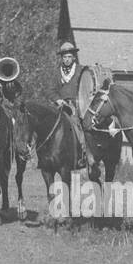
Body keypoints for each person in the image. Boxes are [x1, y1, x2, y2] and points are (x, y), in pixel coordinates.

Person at [46, 41, 93, 169]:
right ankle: (46, 156)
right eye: (64, 57)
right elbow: (51, 90)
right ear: (61, 58)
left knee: (79, 127)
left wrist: (79, 102)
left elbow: (87, 88)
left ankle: (83, 155)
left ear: (73, 57)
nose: (66, 59)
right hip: (60, 106)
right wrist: (58, 99)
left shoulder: (81, 71)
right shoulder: (57, 73)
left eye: (69, 56)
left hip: (78, 106)